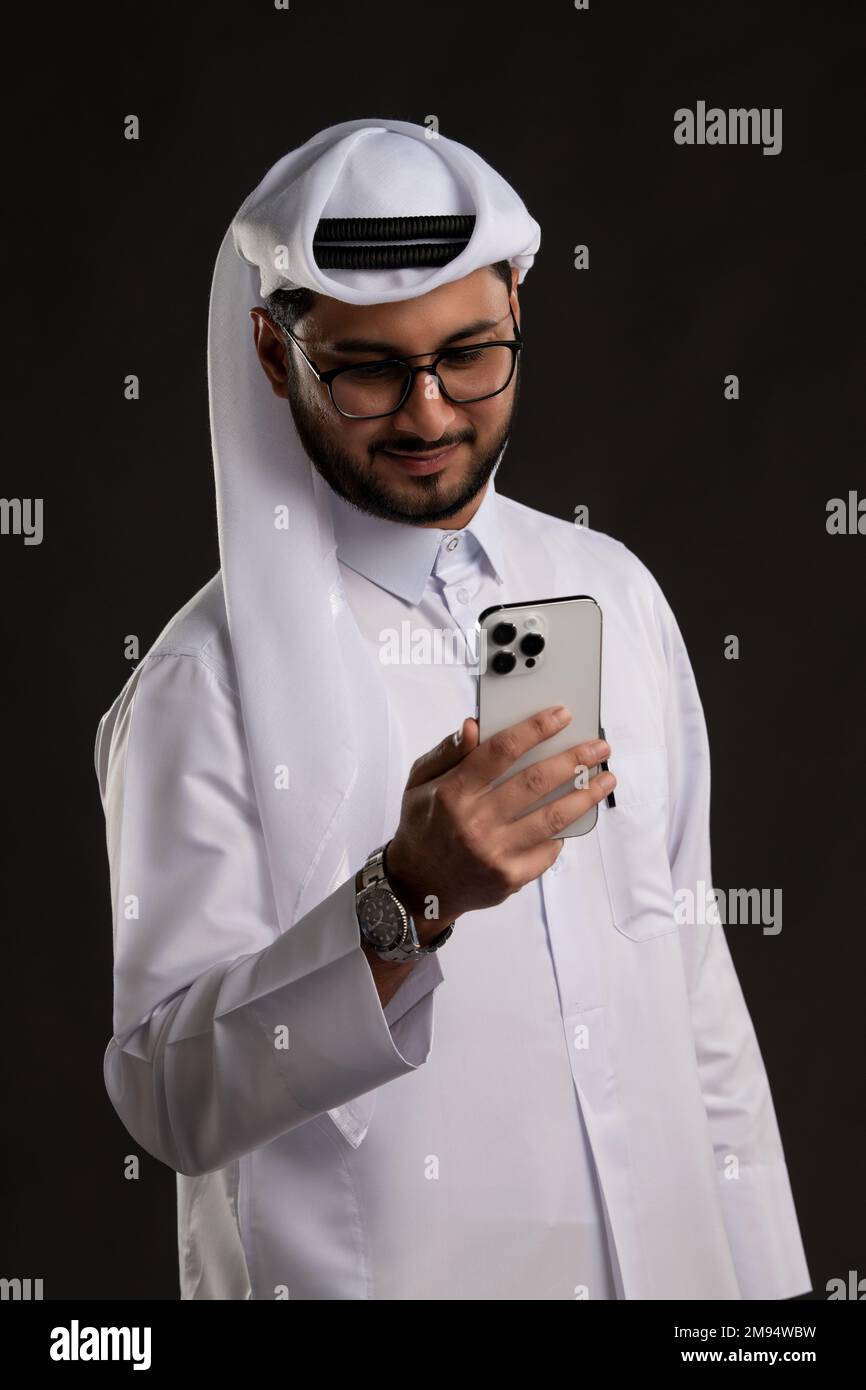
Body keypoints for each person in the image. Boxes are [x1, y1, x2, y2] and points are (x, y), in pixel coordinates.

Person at [94, 117, 811, 1300]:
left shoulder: (614, 594)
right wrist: (406, 899)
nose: (428, 415)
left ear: (518, 315)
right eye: (370, 368)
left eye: (470, 354)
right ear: (275, 357)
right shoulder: (197, 683)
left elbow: (696, 998)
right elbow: (169, 1094)